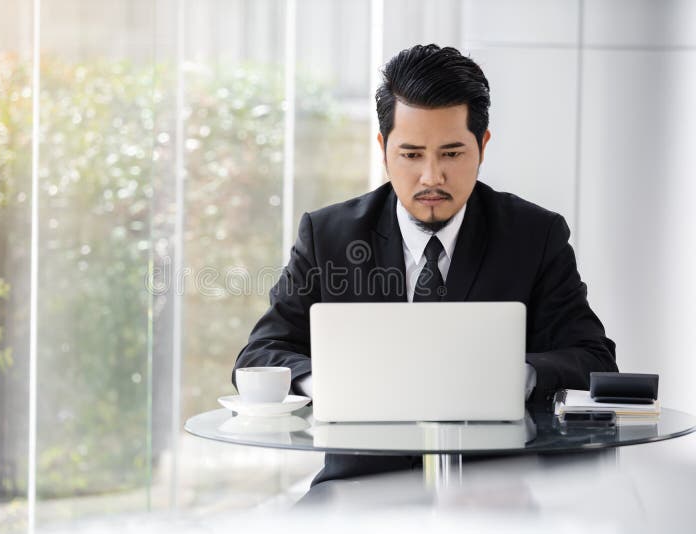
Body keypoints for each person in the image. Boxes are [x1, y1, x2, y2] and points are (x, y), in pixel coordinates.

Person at [232, 44, 617, 487]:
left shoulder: (534, 235)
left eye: (451, 154)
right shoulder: (329, 236)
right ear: (384, 148)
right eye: (411, 155)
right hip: (357, 491)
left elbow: (594, 360)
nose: (431, 177)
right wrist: (326, 386)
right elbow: (258, 355)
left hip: (493, 494)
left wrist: (520, 376)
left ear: (482, 146)